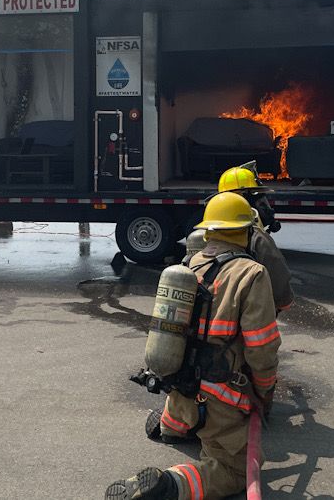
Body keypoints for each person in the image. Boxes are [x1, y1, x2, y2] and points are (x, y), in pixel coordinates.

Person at [107, 192, 281, 500]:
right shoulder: (252, 274)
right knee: (235, 469)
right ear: (246, 231)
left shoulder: (190, 264)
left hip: (179, 386)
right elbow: (261, 348)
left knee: (188, 409)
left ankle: (170, 426)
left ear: (209, 229)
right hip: (220, 398)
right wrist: (264, 392)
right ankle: (170, 486)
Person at [216, 165, 294, 314]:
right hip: (247, 318)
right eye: (260, 202)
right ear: (243, 201)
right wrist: (284, 302)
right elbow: (279, 280)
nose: (267, 209)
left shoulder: (207, 234)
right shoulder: (256, 238)